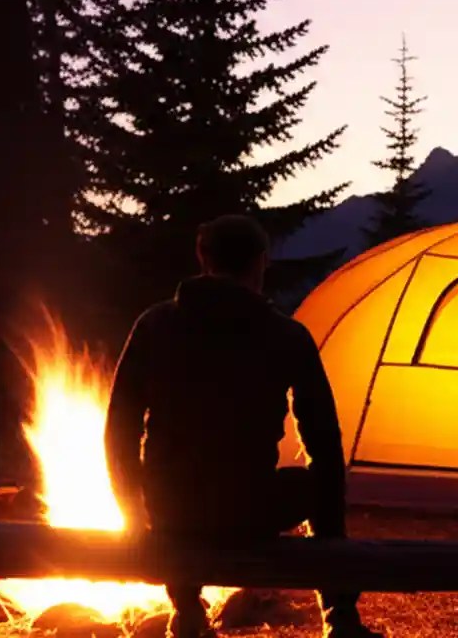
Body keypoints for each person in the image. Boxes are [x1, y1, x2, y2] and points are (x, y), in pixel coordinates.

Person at [104, 214, 383, 638]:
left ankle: (186, 610)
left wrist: (132, 512)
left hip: (170, 511)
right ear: (261, 262)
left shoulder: (155, 324)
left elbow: (119, 428)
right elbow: (323, 437)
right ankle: (340, 615)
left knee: (172, 487)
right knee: (318, 480)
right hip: (248, 510)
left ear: (202, 257)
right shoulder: (286, 335)